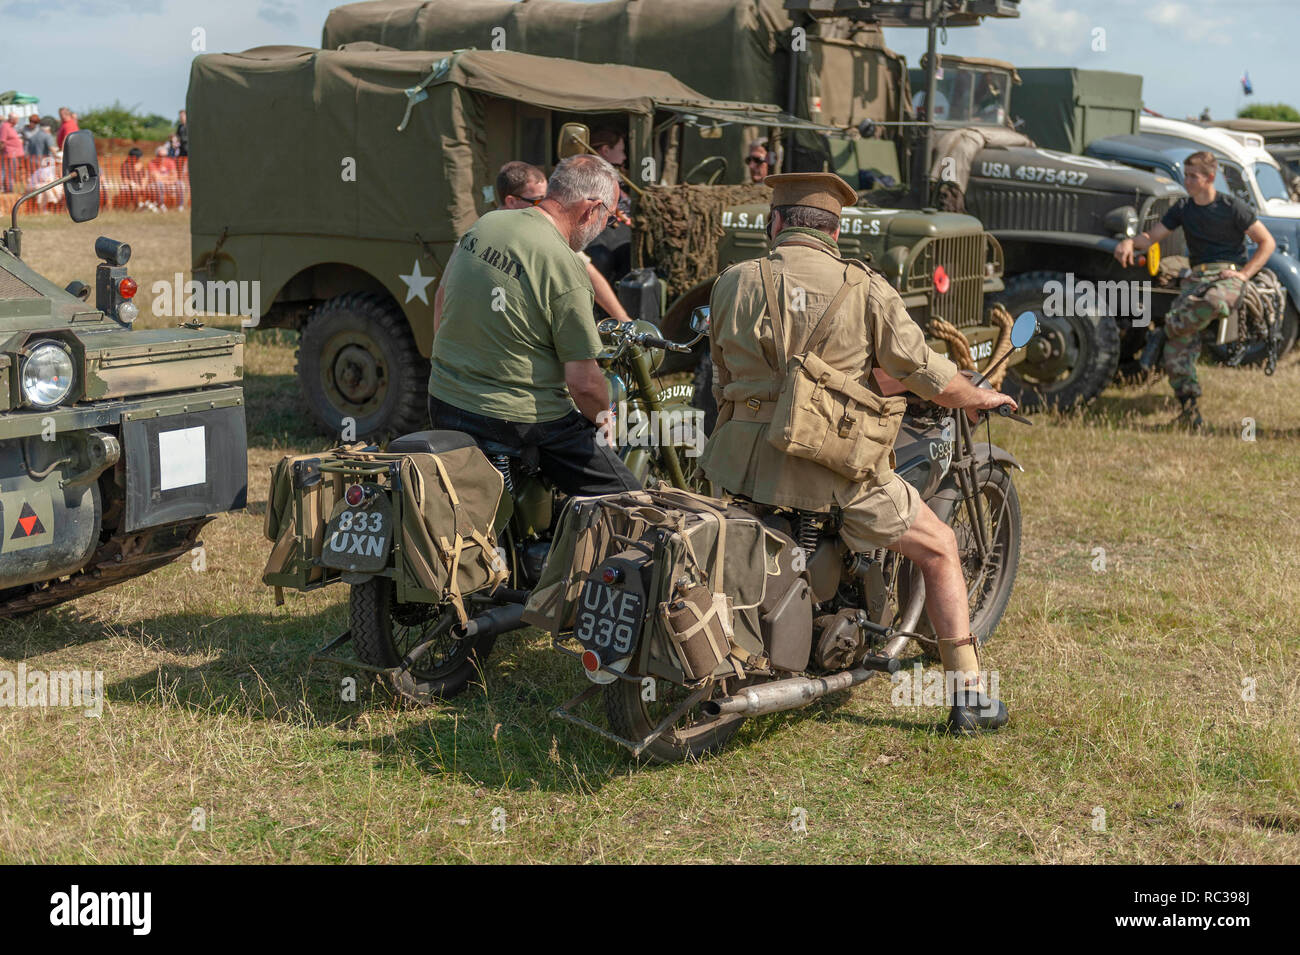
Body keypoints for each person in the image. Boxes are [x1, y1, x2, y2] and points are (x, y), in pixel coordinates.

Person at [699, 171, 1017, 733]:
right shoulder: (864, 287)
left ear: (776, 224)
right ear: (835, 232)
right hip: (830, 467)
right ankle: (970, 696)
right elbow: (925, 373)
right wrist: (978, 395)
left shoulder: (733, 281)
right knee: (942, 547)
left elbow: (720, 374)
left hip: (737, 464)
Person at [427, 153, 639, 496]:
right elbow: (583, 383)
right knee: (627, 499)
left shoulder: (486, 224)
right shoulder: (565, 265)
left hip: (444, 401)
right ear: (589, 209)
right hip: (512, 419)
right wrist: (605, 420)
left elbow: (441, 300)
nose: (603, 229)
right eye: (608, 218)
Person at [1115, 150, 1276, 429]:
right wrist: (1129, 242)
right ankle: (1189, 411)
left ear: (1209, 178)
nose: (1187, 181)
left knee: (1214, 302)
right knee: (1177, 349)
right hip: (1195, 279)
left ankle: (1166, 330)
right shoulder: (1183, 209)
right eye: (1186, 175)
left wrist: (1244, 275)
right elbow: (1151, 237)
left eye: (1193, 176)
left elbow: (1267, 243)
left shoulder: (1232, 206)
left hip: (1227, 278)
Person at [494, 161, 632, 323]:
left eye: (548, 198)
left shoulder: (481, 230)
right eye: (538, 201)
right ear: (511, 201)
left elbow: (587, 271)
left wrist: (624, 320)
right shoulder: (488, 235)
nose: (546, 207)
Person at [147, 145, 181, 210]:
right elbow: (156, 178)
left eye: (165, 156)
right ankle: (161, 205)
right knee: (159, 184)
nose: (163, 158)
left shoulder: (170, 162)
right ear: (156, 155)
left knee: (180, 184)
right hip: (155, 184)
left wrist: (164, 178)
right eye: (160, 156)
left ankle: (180, 206)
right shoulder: (151, 163)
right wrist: (168, 177)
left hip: (169, 183)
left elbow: (175, 176)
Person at [0, 113, 24, 193]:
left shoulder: (11, 127)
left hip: (14, 154)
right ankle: (6, 188)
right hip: (9, 154)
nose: (17, 121)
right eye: (17, 119)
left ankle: (8, 188)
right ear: (12, 119)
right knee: (7, 172)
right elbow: (2, 141)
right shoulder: (5, 126)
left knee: (11, 172)